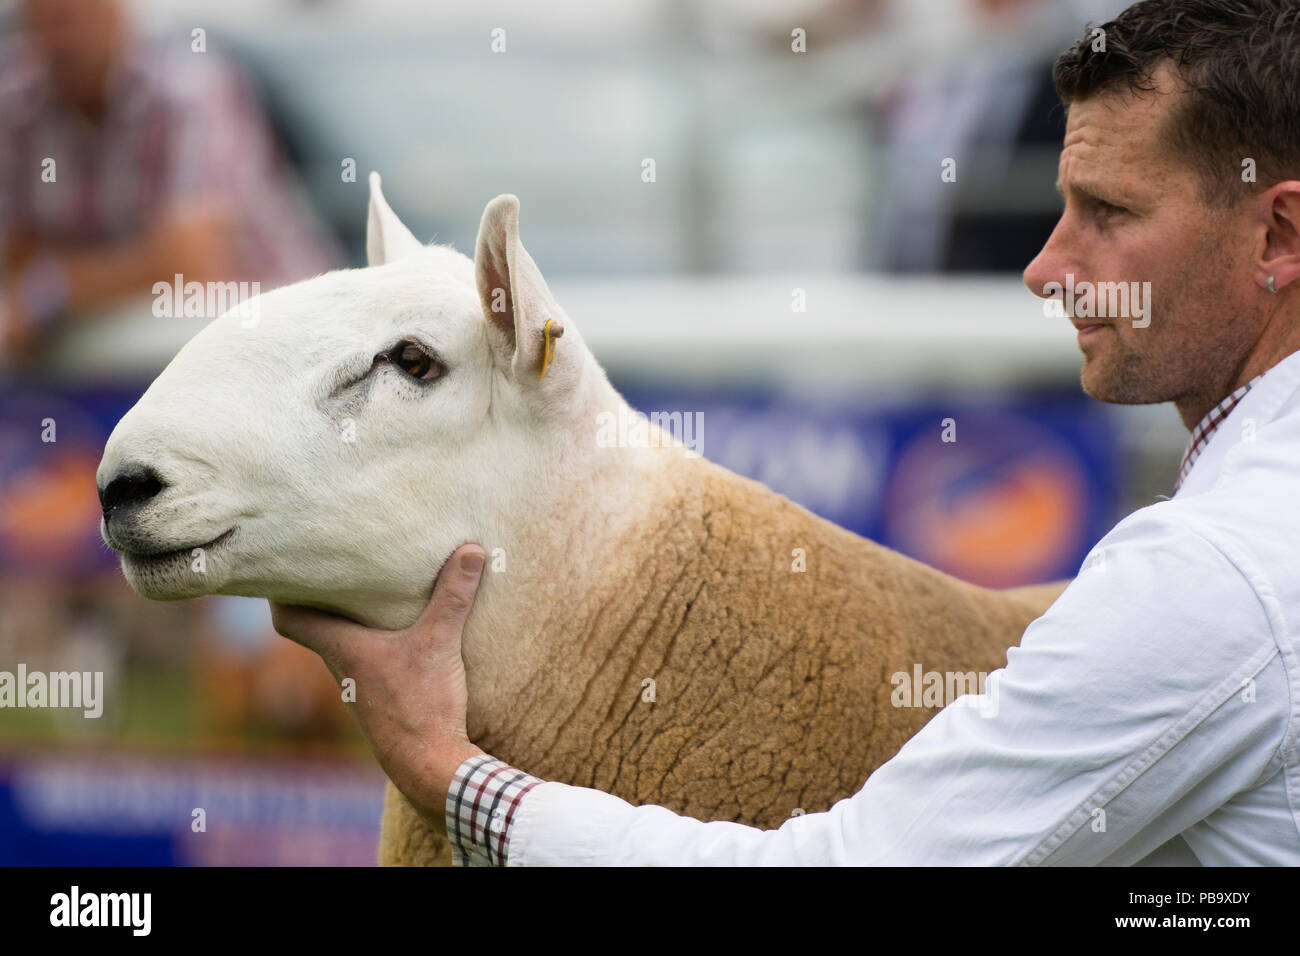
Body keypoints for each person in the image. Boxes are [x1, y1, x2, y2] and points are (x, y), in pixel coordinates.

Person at [271, 0, 1300, 865]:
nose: (1046, 265)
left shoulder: (1213, 573)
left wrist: (448, 771)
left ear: (1278, 234)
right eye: (1060, 207)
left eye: (1108, 212)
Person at [0, 0, 340, 359]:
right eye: (48, 18)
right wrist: (128, 267)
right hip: (129, 359)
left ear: (119, 11)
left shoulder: (190, 90)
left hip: (283, 347)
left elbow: (190, 269)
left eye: (74, 13)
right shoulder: (17, 105)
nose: (64, 37)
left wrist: (59, 285)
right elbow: (19, 256)